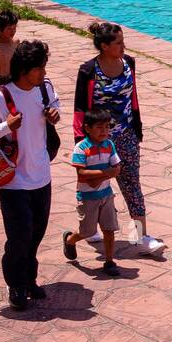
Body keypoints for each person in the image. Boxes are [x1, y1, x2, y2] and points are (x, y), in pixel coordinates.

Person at [0, 39, 61, 311]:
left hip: (41, 175)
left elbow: (55, 108)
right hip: (13, 181)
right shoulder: (1, 96)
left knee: (36, 234)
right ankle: (16, 285)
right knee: (19, 235)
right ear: (25, 69)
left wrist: (54, 115)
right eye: (40, 68)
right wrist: (3, 126)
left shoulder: (44, 89)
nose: (44, 73)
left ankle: (29, 279)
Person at [73, 22, 165, 256]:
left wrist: (137, 129)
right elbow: (79, 110)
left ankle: (139, 237)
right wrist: (80, 143)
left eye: (123, 41)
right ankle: (88, 229)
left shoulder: (129, 64)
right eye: (119, 43)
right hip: (96, 142)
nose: (124, 46)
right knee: (96, 187)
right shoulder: (88, 71)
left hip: (126, 136)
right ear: (104, 46)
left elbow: (132, 99)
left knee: (132, 185)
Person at [63, 108, 122, 276]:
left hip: (106, 194)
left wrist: (104, 175)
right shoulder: (81, 148)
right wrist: (105, 173)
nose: (104, 131)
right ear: (87, 128)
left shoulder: (109, 145)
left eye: (106, 127)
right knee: (87, 231)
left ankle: (109, 261)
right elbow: (81, 174)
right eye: (99, 127)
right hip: (87, 197)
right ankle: (69, 240)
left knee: (109, 229)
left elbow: (116, 167)